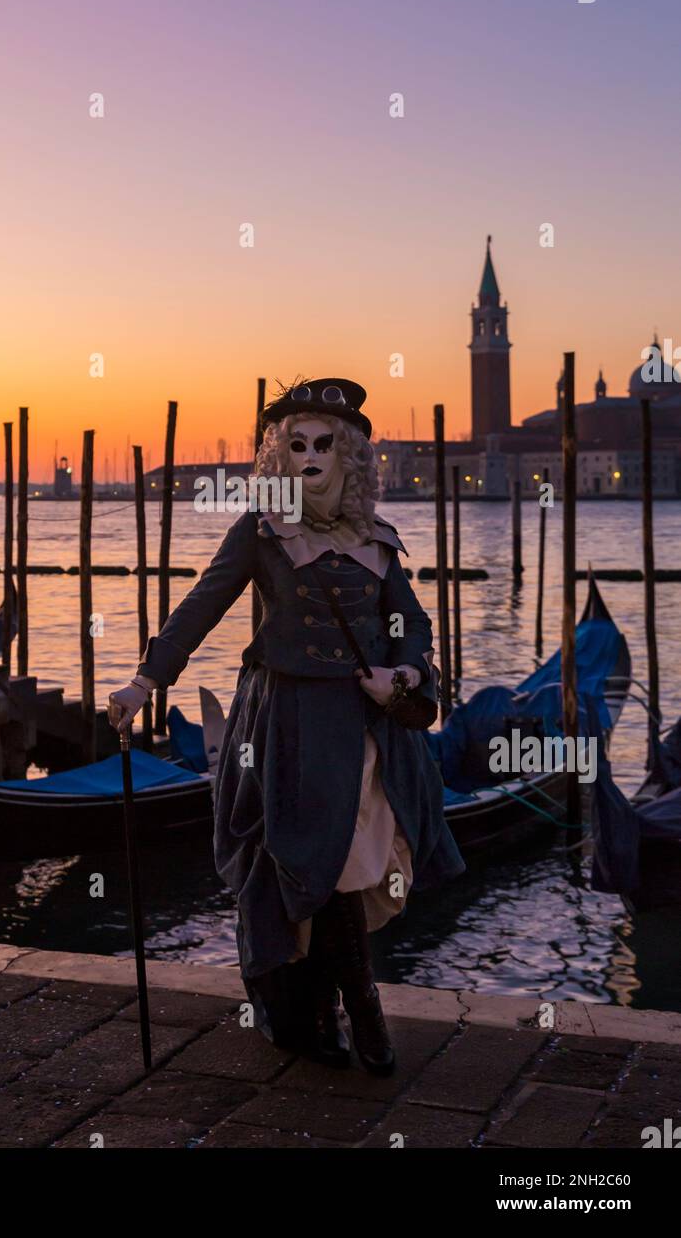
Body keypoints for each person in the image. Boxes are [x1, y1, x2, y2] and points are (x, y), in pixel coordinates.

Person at [109, 377, 465, 1075]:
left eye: (323, 445)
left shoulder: (377, 539)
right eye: (295, 444)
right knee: (314, 871)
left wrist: (407, 674)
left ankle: (345, 1013)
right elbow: (200, 608)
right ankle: (356, 1013)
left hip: (366, 732)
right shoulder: (262, 532)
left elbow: (412, 625)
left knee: (350, 873)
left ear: (349, 455)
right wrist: (145, 680)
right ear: (279, 455)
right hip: (290, 728)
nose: (309, 457)